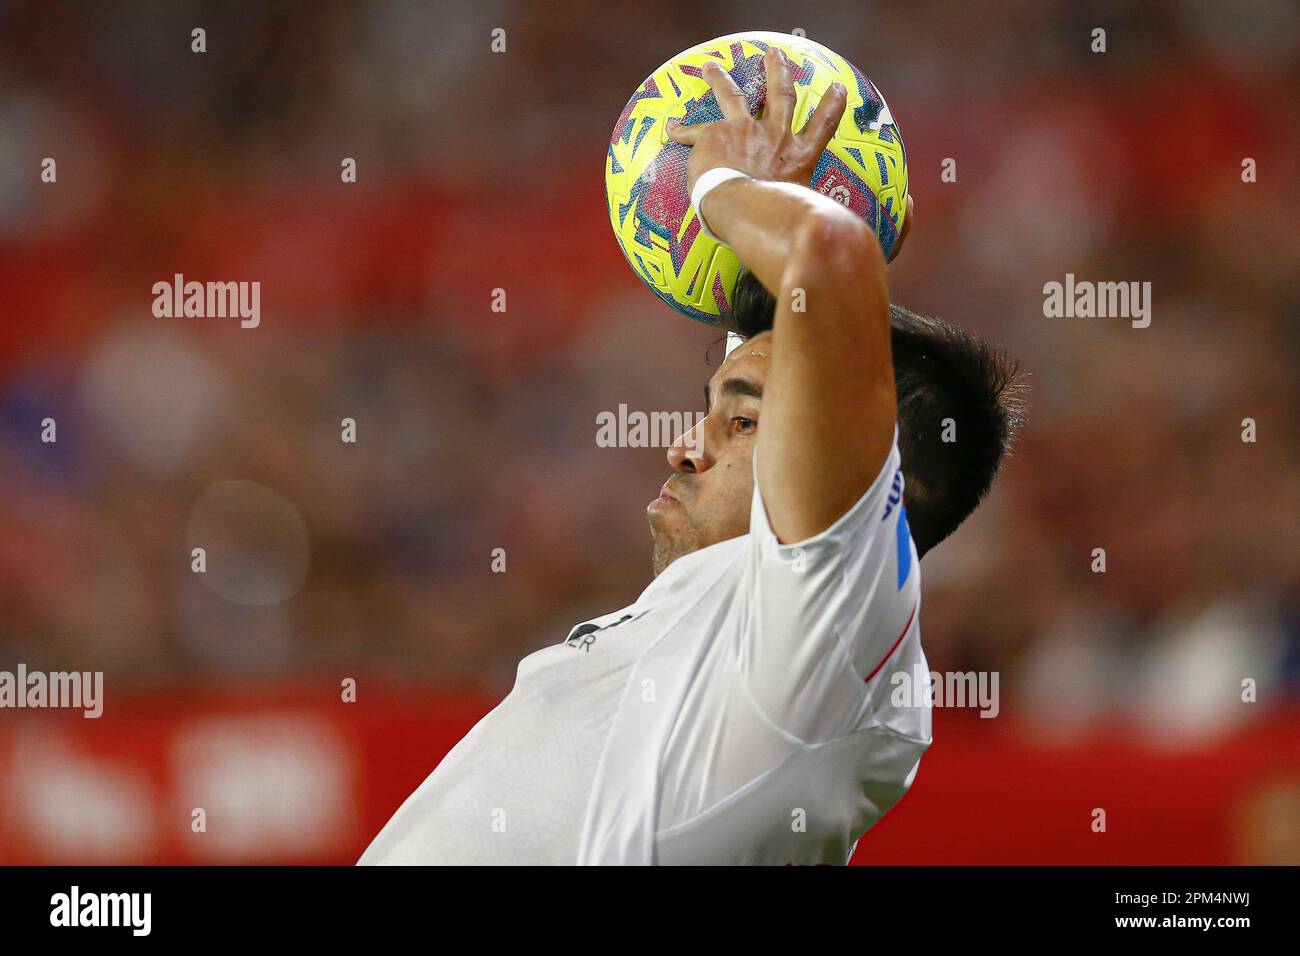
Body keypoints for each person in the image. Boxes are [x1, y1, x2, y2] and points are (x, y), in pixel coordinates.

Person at [360, 46, 1022, 865]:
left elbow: (833, 267)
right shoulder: (747, 624)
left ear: (882, 481)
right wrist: (785, 208)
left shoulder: (828, 621)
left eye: (741, 425)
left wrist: (718, 183)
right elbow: (808, 303)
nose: (684, 445)